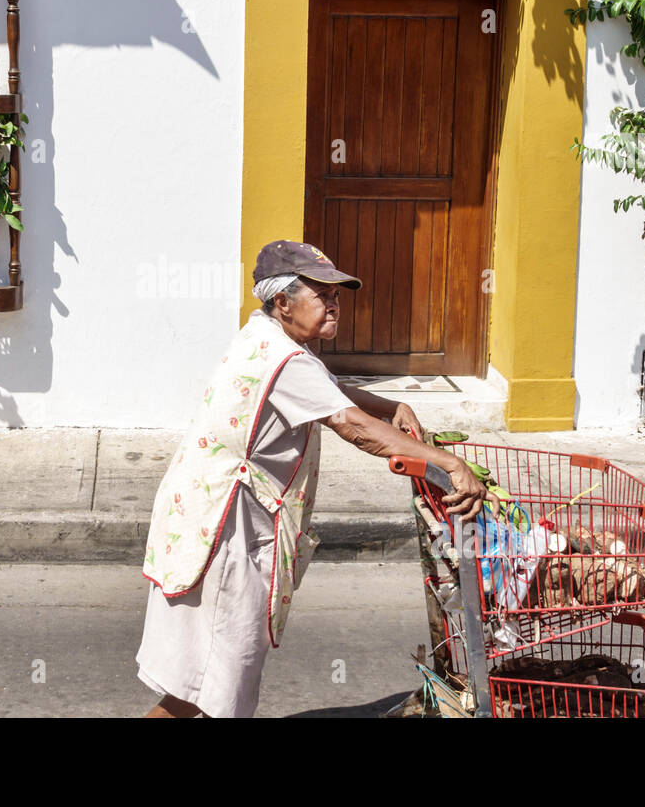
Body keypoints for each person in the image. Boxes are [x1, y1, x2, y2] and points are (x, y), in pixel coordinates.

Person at [135, 238, 492, 718]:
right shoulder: (285, 359)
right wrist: (449, 463)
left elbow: (330, 388)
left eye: (336, 296)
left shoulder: (267, 336)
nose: (334, 305)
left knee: (204, 679)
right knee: (214, 677)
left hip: (212, 518)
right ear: (282, 302)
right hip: (226, 533)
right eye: (322, 295)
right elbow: (352, 426)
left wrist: (392, 405)